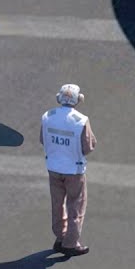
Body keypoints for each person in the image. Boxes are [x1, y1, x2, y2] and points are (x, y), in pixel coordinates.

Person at [40, 84, 97, 256]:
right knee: (76, 205)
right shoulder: (81, 120)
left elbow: (42, 139)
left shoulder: (48, 116)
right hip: (74, 170)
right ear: (78, 99)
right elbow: (88, 146)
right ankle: (71, 243)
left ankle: (60, 236)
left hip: (53, 167)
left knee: (57, 204)